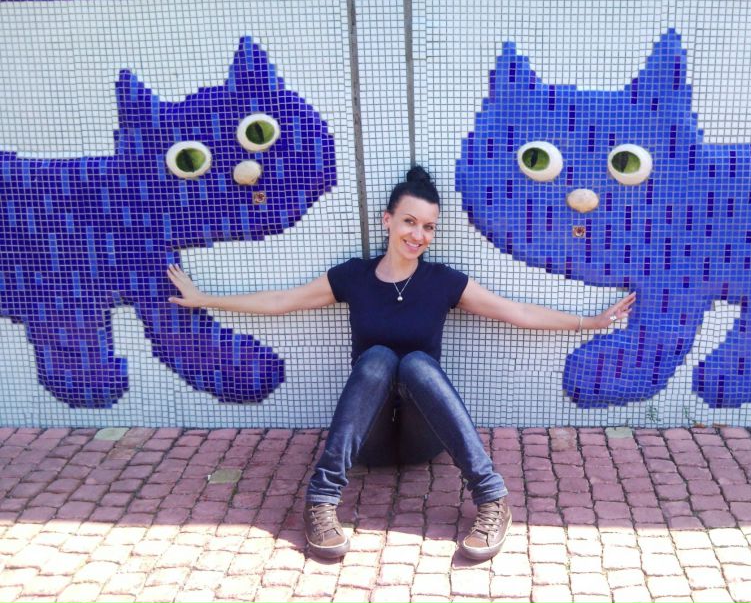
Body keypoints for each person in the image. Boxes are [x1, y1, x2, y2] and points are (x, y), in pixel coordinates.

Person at [167, 166, 635, 561]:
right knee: (376, 359)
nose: (418, 235)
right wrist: (206, 299)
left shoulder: (442, 282)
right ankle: (321, 500)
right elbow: (282, 301)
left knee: (416, 364)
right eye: (410, 222)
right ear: (388, 220)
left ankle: (492, 499)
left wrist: (589, 321)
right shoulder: (353, 276)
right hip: (367, 442)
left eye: (428, 227)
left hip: (421, 439)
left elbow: (516, 312)